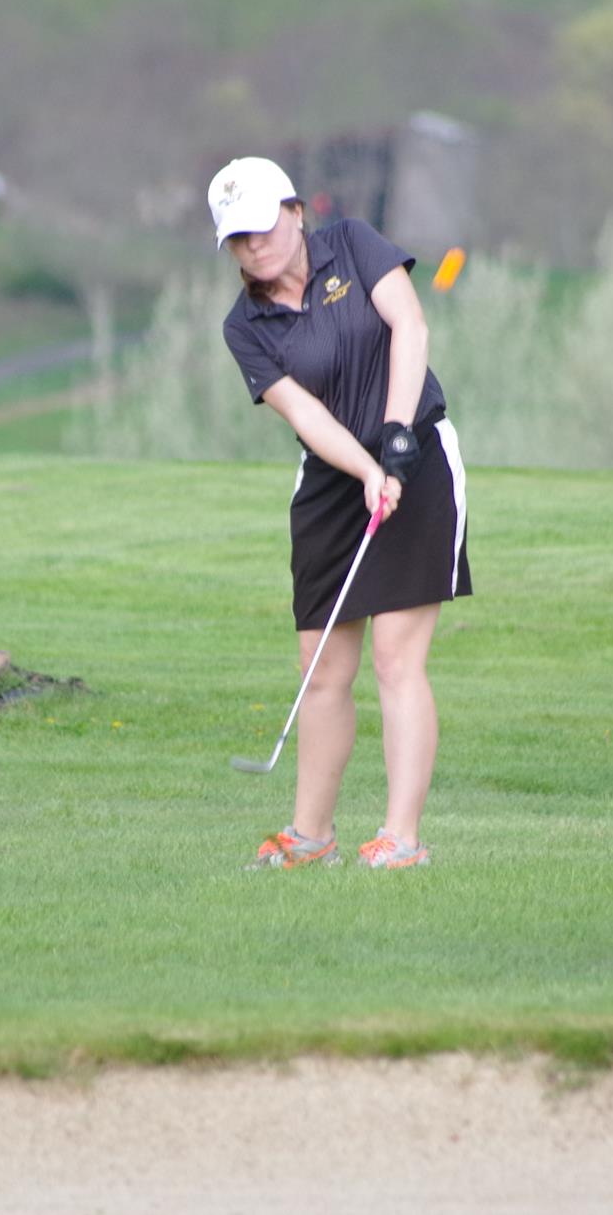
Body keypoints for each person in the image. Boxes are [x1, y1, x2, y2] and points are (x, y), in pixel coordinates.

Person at [209, 156, 471, 871]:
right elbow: (304, 411)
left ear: (295, 212)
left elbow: (409, 326)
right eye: (238, 238)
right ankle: (310, 835)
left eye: (262, 228)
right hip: (332, 482)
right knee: (320, 665)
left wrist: (392, 439)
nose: (253, 246)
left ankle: (402, 838)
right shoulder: (247, 326)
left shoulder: (353, 245)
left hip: (415, 454)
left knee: (395, 656)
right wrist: (361, 468)